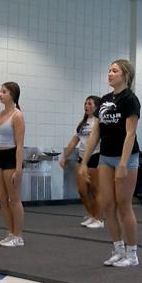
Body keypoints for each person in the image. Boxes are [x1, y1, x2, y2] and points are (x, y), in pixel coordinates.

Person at [81, 59, 141, 267]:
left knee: (124, 205)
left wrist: (124, 163)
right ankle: (117, 249)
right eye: (109, 70)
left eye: (114, 71)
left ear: (125, 75)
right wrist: (84, 162)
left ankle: (132, 254)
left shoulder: (130, 100)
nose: (110, 74)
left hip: (126, 157)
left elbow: (130, 133)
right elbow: (95, 133)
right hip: (105, 157)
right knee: (108, 205)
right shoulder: (105, 100)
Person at [0, 82, 25, 247]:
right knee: (2, 199)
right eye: (0, 91)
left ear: (12, 95)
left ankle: (18, 236)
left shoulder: (17, 116)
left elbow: (20, 144)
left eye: (4, 92)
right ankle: (10, 233)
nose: (0, 94)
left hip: (11, 157)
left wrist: (18, 168)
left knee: (13, 199)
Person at [60, 96, 103, 229]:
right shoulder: (83, 123)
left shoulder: (98, 122)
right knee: (82, 190)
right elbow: (75, 141)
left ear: (96, 106)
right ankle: (91, 215)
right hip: (82, 158)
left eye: (90, 104)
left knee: (95, 189)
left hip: (95, 156)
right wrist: (64, 156)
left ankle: (99, 218)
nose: (86, 106)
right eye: (85, 103)